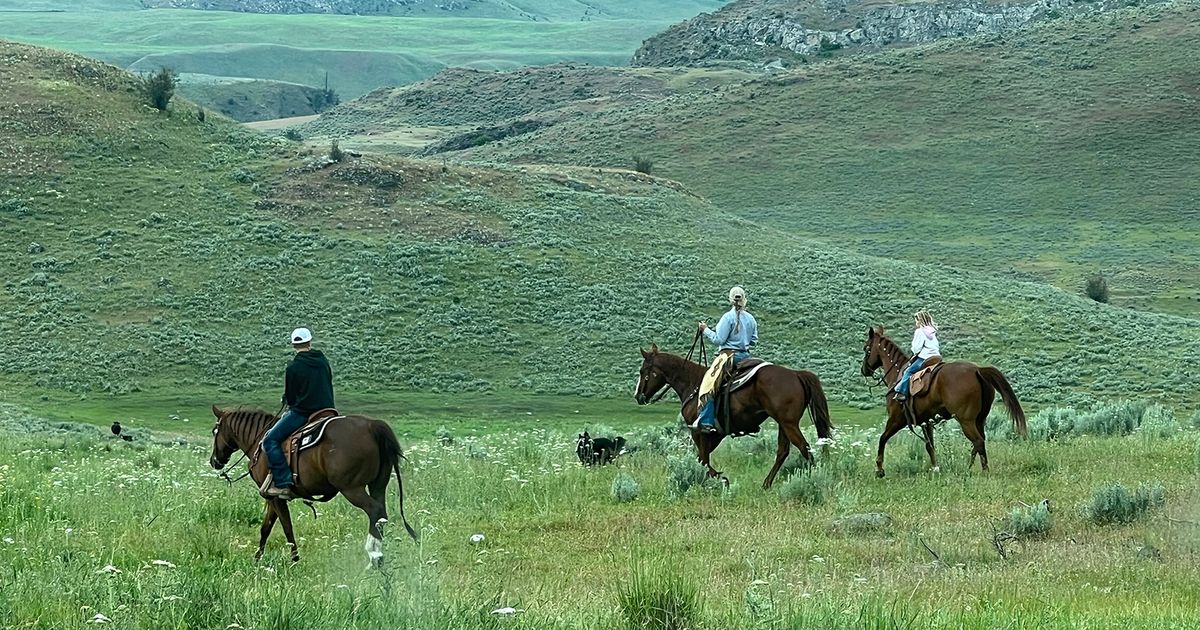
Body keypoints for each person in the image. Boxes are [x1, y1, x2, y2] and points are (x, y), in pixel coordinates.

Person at [260, 327, 335, 500]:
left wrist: (288, 400)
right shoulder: (323, 360)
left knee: (270, 440)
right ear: (310, 342)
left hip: (304, 413)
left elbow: (292, 397)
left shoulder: (293, 367)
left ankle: (283, 483)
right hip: (327, 410)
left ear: (294, 344)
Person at [692, 286, 758, 432]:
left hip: (728, 357)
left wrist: (705, 330)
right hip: (746, 356)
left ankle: (706, 420)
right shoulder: (751, 319)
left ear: (730, 299)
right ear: (744, 298)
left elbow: (718, 340)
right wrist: (743, 339)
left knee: (709, 384)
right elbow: (754, 340)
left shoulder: (727, 317)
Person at [893, 310, 940, 401]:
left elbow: (916, 348)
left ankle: (901, 392)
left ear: (920, 320)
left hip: (924, 358)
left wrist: (914, 352)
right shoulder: (932, 331)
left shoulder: (920, 331)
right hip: (936, 357)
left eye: (916, 320)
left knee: (908, 372)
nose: (916, 323)